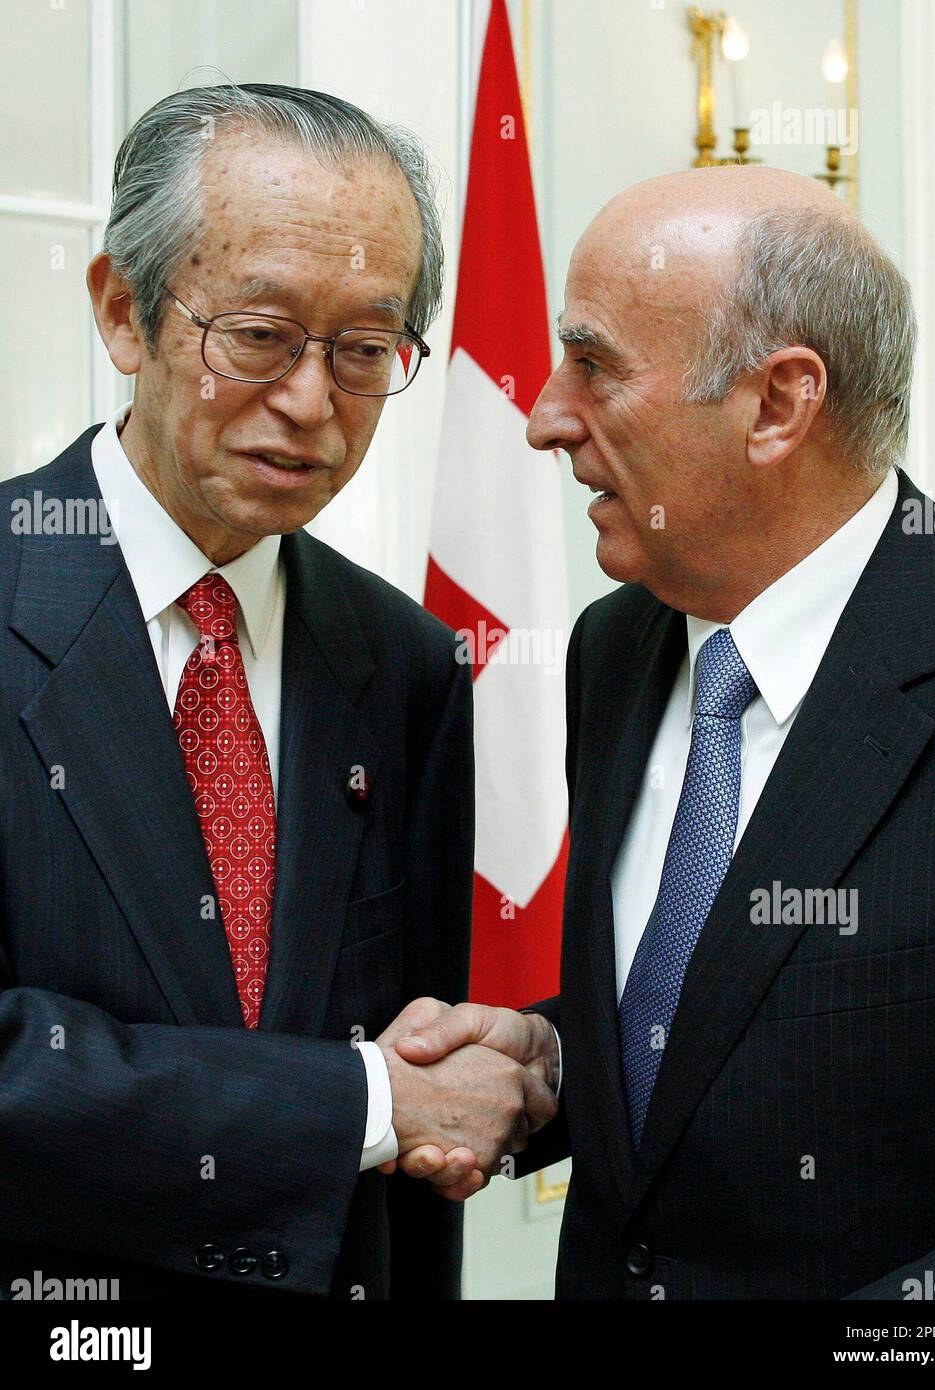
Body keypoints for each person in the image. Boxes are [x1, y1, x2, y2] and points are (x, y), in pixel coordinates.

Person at [388, 166, 935, 1300]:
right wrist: (556, 1064)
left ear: (777, 404)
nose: (542, 417)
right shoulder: (612, 651)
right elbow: (733, 1005)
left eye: (593, 365)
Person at [0, 82, 555, 1302]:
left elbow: (418, 1139)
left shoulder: (405, 664)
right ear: (123, 311)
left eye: (363, 350)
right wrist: (364, 1102)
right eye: (259, 335)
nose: (312, 404)